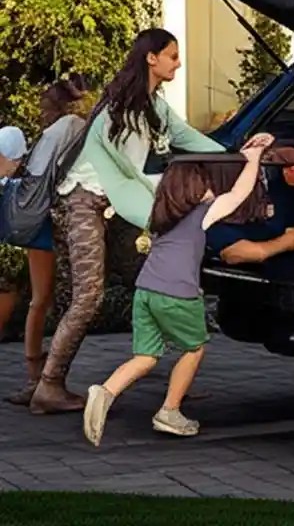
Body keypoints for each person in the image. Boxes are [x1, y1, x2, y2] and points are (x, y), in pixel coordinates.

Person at [30, 29, 261, 415]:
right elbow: (131, 171)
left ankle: (176, 376)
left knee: (155, 278)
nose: (179, 62)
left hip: (119, 207)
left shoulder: (155, 106)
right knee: (88, 298)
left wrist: (238, 157)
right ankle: (48, 386)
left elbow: (188, 138)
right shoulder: (120, 107)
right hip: (85, 202)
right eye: (172, 56)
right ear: (151, 58)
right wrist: (184, 197)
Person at [82, 134, 274, 446]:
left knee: (145, 356)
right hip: (177, 293)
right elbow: (239, 193)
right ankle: (169, 411)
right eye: (207, 181)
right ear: (196, 189)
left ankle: (104, 392)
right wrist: (252, 160)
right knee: (194, 348)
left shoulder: (161, 216)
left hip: (146, 290)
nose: (212, 187)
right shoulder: (202, 215)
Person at [1, 76, 91, 405]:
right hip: (44, 223)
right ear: (70, 104)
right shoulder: (72, 126)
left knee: (42, 299)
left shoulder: (50, 134)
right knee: (43, 300)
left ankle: (36, 379)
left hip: (36, 220)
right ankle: (37, 382)